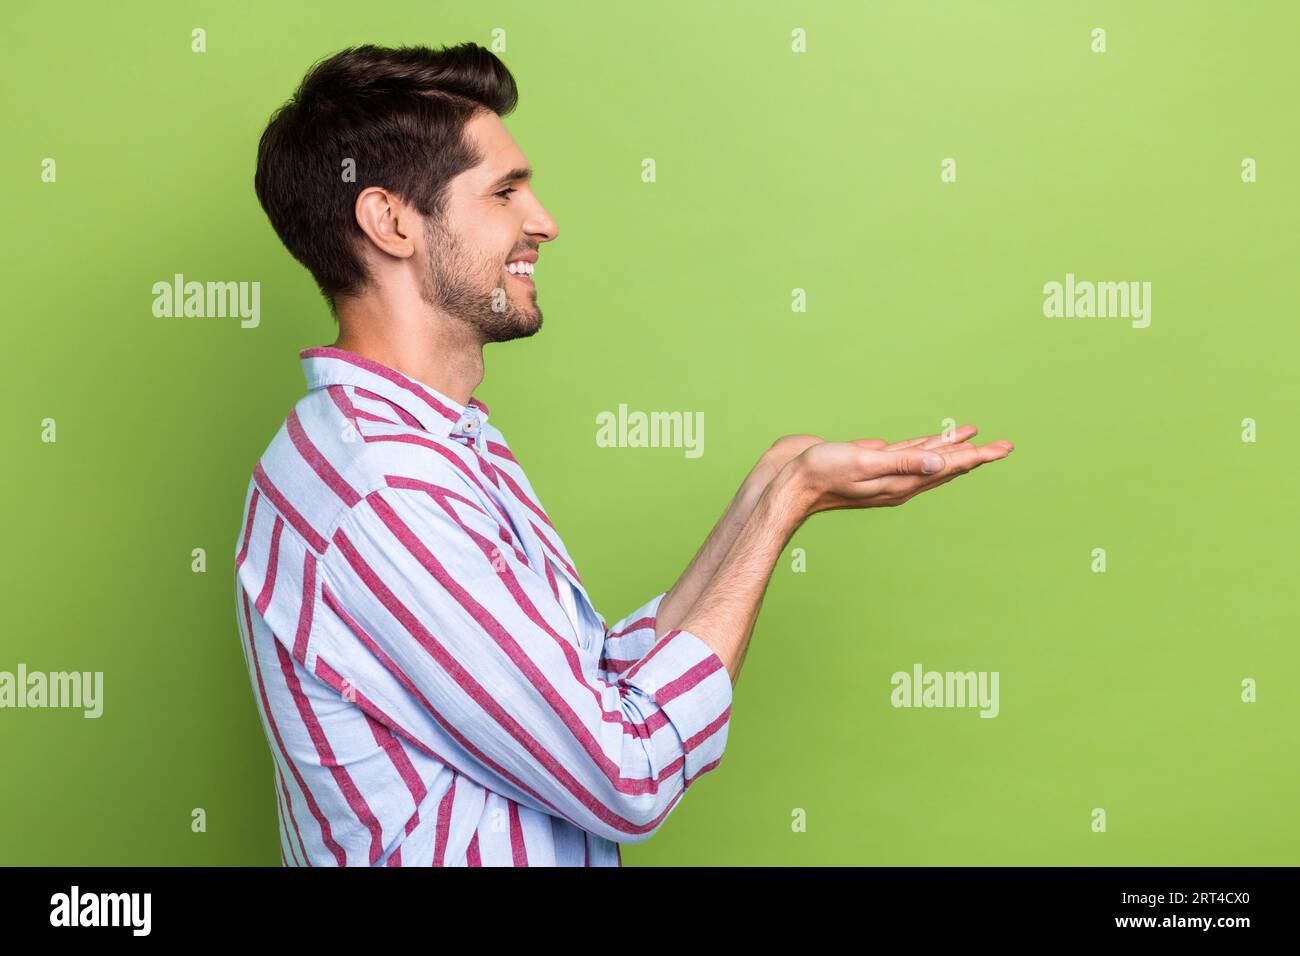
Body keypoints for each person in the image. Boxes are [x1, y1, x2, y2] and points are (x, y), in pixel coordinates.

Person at [234, 42, 1014, 866]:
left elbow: (586, 691)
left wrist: (771, 484)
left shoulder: (432, 442)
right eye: (504, 192)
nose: (543, 220)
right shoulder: (384, 490)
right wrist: (786, 511)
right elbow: (624, 773)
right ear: (391, 221)